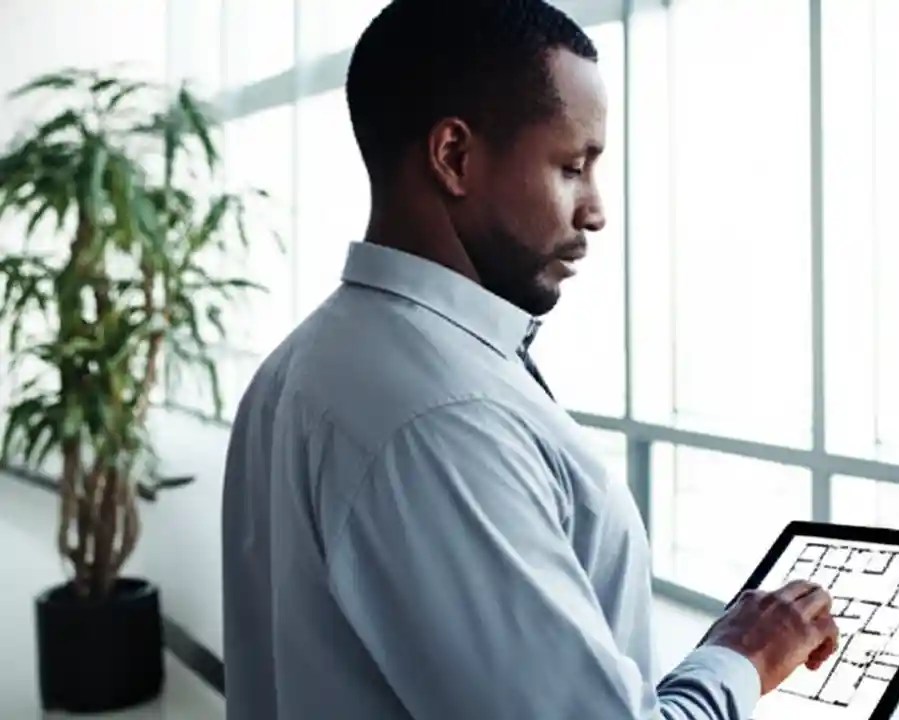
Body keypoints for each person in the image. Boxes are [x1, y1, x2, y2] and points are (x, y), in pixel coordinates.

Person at [220, 1, 839, 718]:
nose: (595, 210)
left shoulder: (304, 362)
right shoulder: (443, 420)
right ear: (454, 157)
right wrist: (742, 657)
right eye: (573, 166)